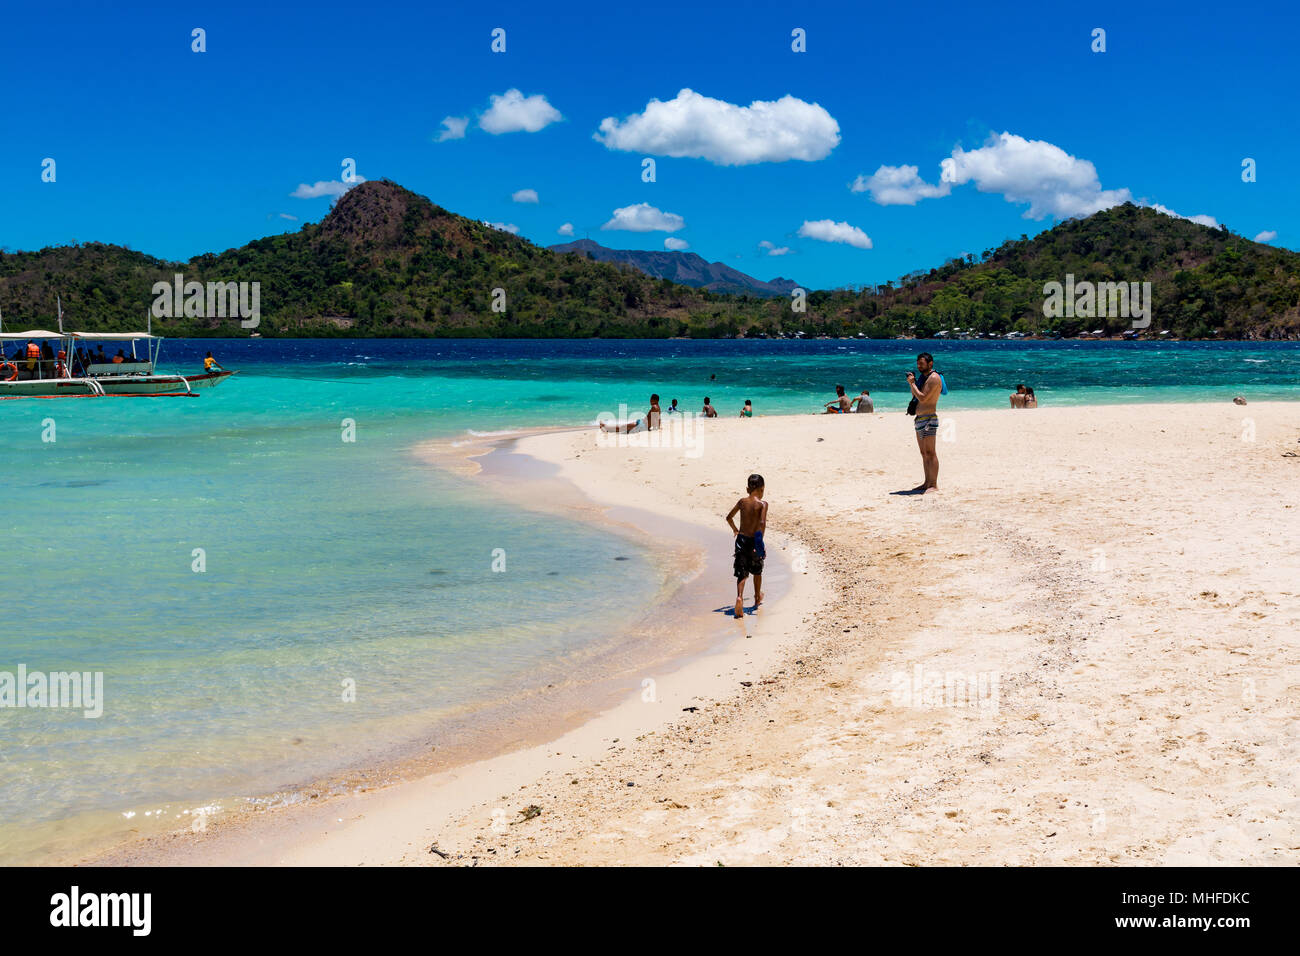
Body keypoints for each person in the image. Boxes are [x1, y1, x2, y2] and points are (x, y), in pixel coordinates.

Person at [726, 473, 767, 618]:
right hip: (755, 540)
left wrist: (735, 529)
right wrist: (759, 542)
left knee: (742, 572)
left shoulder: (742, 502)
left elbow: (728, 517)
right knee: (757, 571)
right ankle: (756, 597)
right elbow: (762, 523)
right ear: (762, 489)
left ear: (747, 488)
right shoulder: (762, 504)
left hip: (741, 540)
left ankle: (739, 598)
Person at [907, 352, 942, 493]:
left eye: (921, 363)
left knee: (930, 452)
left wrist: (912, 383)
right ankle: (927, 482)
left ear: (930, 363)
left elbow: (922, 397)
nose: (919, 366)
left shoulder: (934, 378)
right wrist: (914, 384)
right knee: (923, 453)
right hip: (920, 418)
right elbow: (916, 395)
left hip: (929, 418)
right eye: (918, 363)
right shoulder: (924, 378)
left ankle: (933, 484)